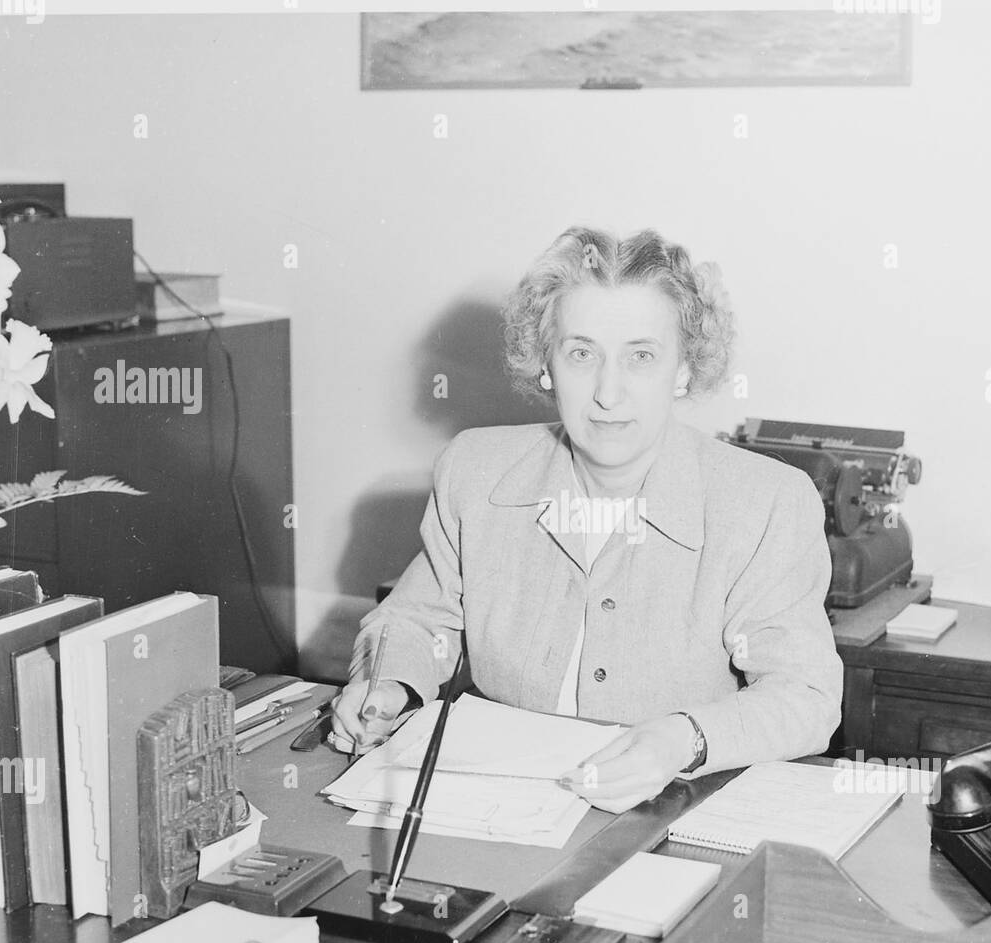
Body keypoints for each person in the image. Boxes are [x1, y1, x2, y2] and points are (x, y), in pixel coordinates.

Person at [331, 227, 842, 813]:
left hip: (673, 807)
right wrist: (391, 688)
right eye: (581, 354)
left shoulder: (764, 501)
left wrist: (685, 738)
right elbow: (419, 620)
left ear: (683, 370)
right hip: (494, 804)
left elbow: (806, 694)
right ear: (545, 366)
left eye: (642, 357)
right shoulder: (475, 470)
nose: (608, 392)